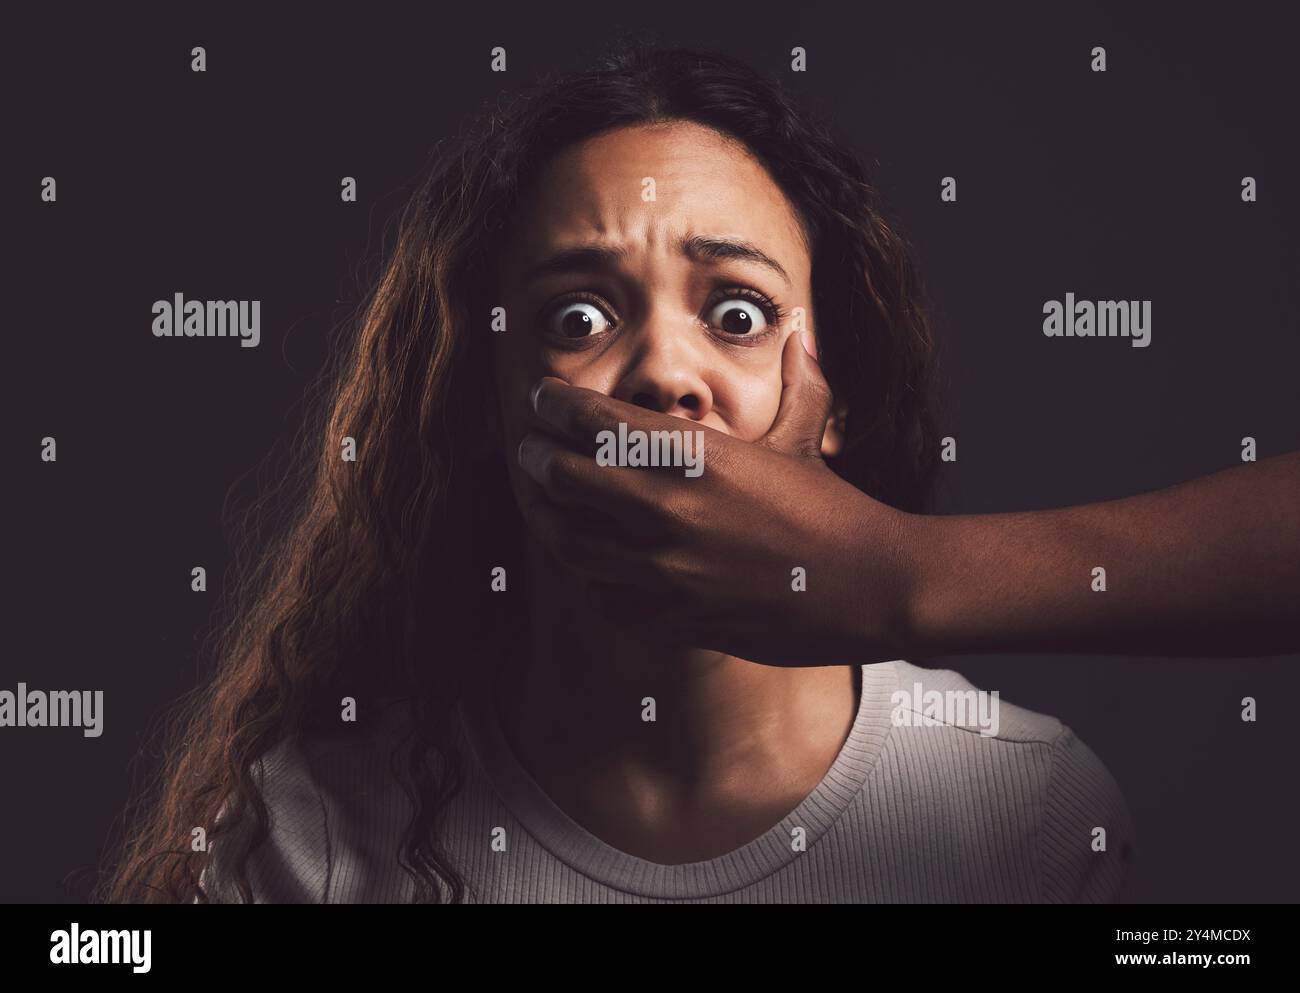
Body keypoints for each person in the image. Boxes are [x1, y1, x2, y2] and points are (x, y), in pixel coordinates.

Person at [100, 43, 1296, 905]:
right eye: (575, 315)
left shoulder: (1029, 812)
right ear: (478, 402)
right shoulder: (311, 835)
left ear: (841, 400)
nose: (666, 373)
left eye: (736, 311)